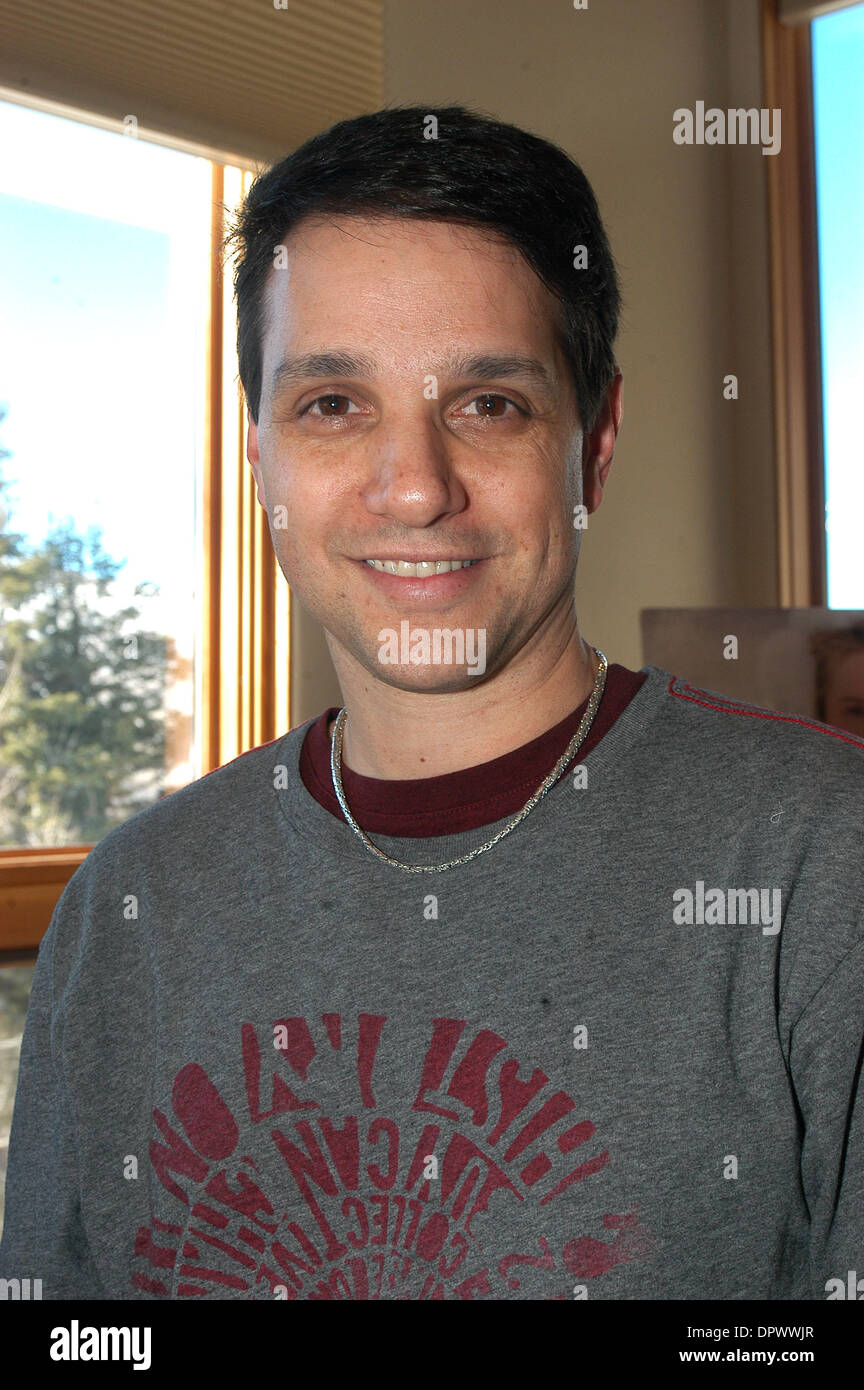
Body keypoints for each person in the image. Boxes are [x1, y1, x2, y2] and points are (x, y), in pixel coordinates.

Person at [1, 105, 862, 1302]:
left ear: (595, 444)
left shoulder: (824, 863)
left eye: (487, 403)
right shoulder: (123, 912)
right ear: (261, 459)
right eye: (333, 404)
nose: (413, 489)